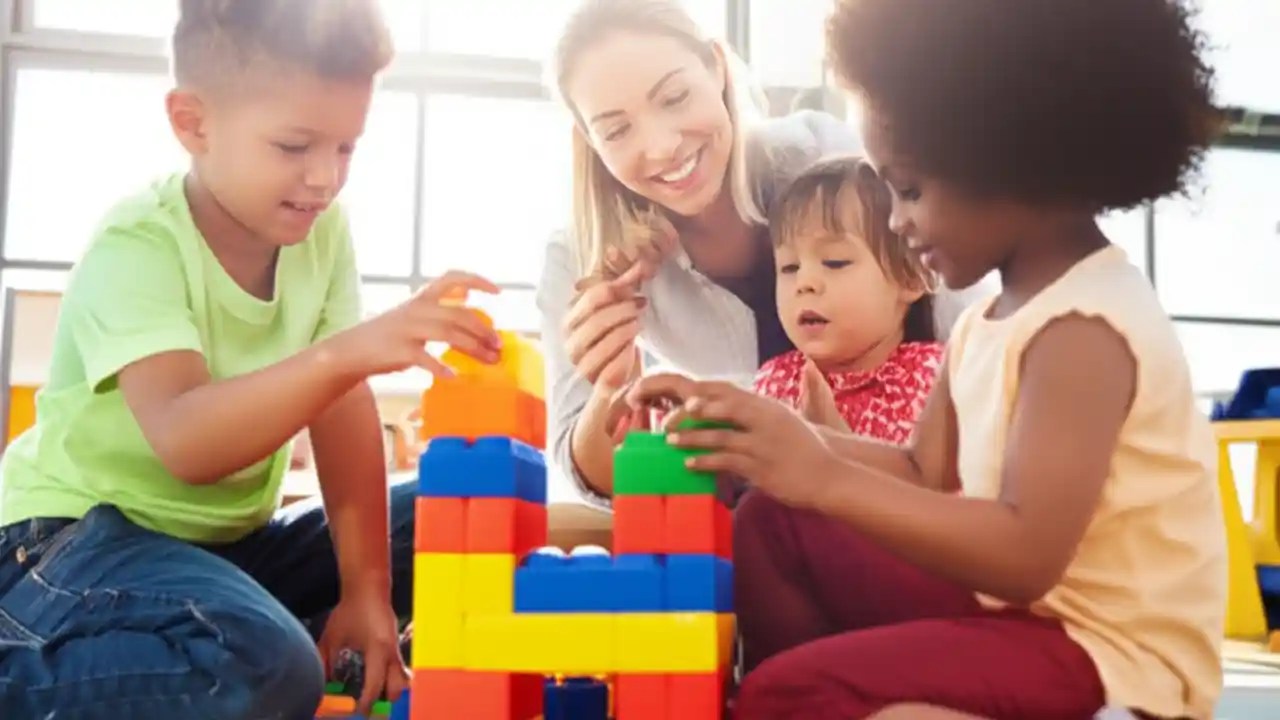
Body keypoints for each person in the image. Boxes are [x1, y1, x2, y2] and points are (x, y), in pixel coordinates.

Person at [612, 0, 1228, 717]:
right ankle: (859, 689)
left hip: (1107, 654)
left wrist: (820, 473)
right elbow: (921, 472)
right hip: (1026, 616)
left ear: (1009, 157)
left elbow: (1027, 554)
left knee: (785, 696)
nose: (898, 221)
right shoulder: (993, 320)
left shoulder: (1082, 329)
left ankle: (832, 697)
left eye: (907, 190)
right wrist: (769, 438)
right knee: (772, 523)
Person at [0, 1, 502, 717]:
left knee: (459, 510)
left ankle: (278, 651)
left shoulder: (320, 232)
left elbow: (340, 406)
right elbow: (187, 441)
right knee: (260, 660)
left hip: (220, 549)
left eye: (346, 148)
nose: (325, 178)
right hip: (67, 545)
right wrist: (343, 355)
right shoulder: (137, 244)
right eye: (295, 147)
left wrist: (367, 591)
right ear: (193, 123)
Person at [537, 0, 989, 532]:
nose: (660, 147)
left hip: (915, 500)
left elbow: (975, 337)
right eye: (615, 131)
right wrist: (614, 390)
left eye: (676, 97)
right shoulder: (582, 257)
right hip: (763, 523)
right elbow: (586, 474)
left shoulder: (830, 162)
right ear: (588, 140)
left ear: (717, 66)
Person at [753, 155, 941, 443]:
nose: (804, 283)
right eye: (790, 267)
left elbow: (942, 486)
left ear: (911, 276)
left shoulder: (938, 382)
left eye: (835, 262)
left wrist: (836, 447)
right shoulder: (773, 383)